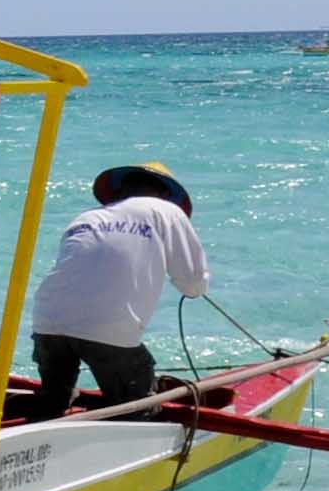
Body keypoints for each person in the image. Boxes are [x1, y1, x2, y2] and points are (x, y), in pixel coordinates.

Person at [25, 163, 210, 420]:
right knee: (137, 406)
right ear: (165, 195)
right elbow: (193, 283)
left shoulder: (86, 217)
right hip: (108, 327)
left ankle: (46, 419)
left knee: (54, 397)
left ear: (121, 191)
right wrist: (193, 288)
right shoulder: (168, 211)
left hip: (48, 321)